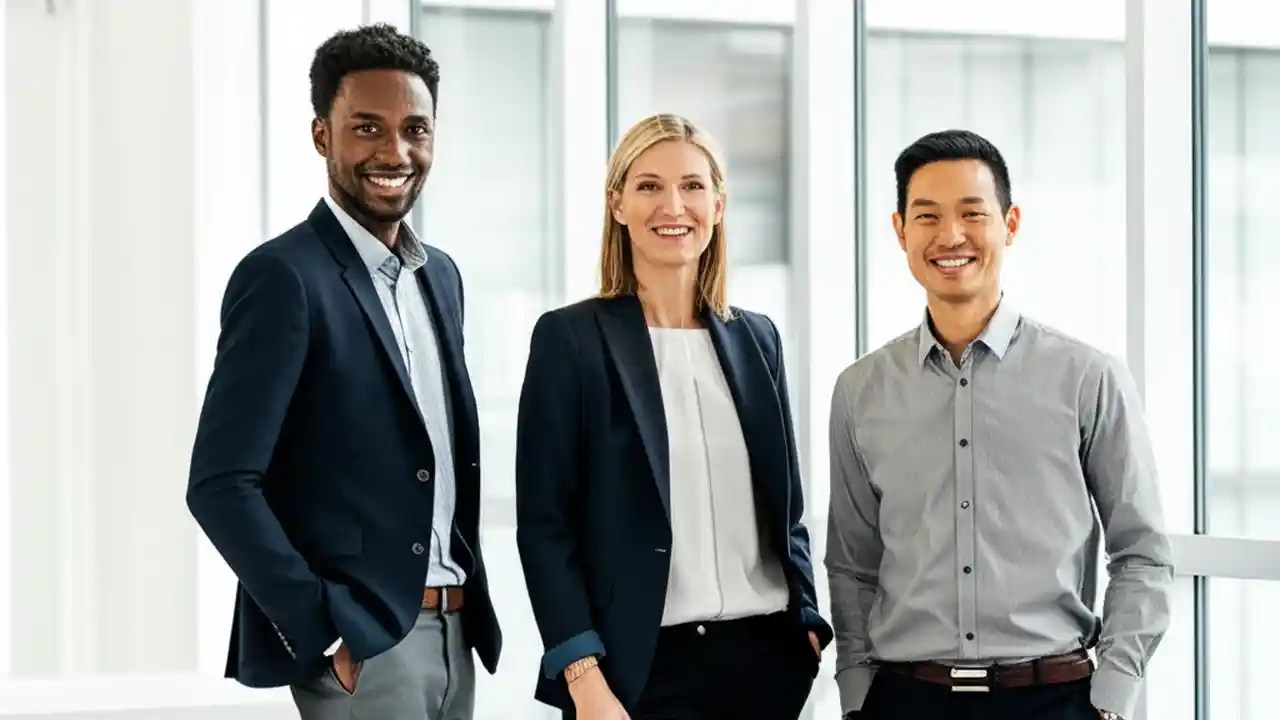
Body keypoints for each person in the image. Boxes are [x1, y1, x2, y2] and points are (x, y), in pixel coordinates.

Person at [186, 23, 500, 720]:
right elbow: (220, 483)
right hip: (366, 643)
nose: (395, 152)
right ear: (322, 136)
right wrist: (325, 627)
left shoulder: (438, 276)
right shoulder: (283, 278)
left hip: (455, 631)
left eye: (415, 129)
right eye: (367, 128)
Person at [825, 129, 1173, 720]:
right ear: (900, 230)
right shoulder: (860, 391)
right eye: (927, 216)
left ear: (1009, 224)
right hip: (906, 700)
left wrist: (1111, 695)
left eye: (972, 213)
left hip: (1054, 698)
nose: (950, 236)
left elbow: (1141, 552)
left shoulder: (1087, 377)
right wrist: (858, 692)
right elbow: (853, 564)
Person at [515, 113, 832, 720]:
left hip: (766, 663)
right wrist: (583, 678)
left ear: (718, 205)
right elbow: (546, 526)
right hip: (635, 675)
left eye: (691, 186)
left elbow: (785, 506)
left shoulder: (756, 338)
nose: (673, 205)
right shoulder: (570, 340)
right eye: (649, 186)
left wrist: (807, 626)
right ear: (618, 204)